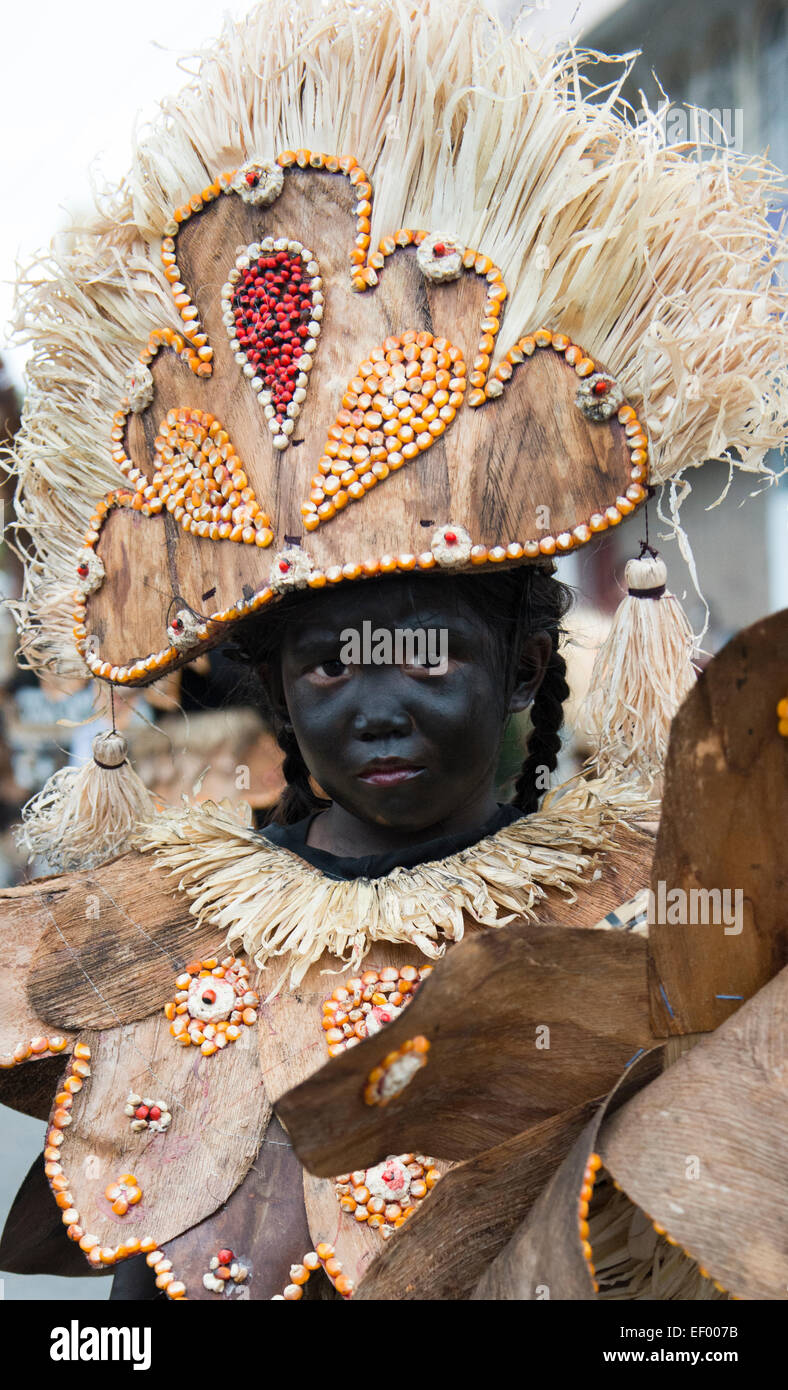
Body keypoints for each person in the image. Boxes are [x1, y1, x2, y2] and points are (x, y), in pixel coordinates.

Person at [0, 0, 785, 1301]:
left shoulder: (638, 904)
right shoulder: (194, 938)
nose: (375, 703)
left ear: (524, 663)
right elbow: (145, 1298)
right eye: (325, 666)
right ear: (273, 689)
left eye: (424, 651)